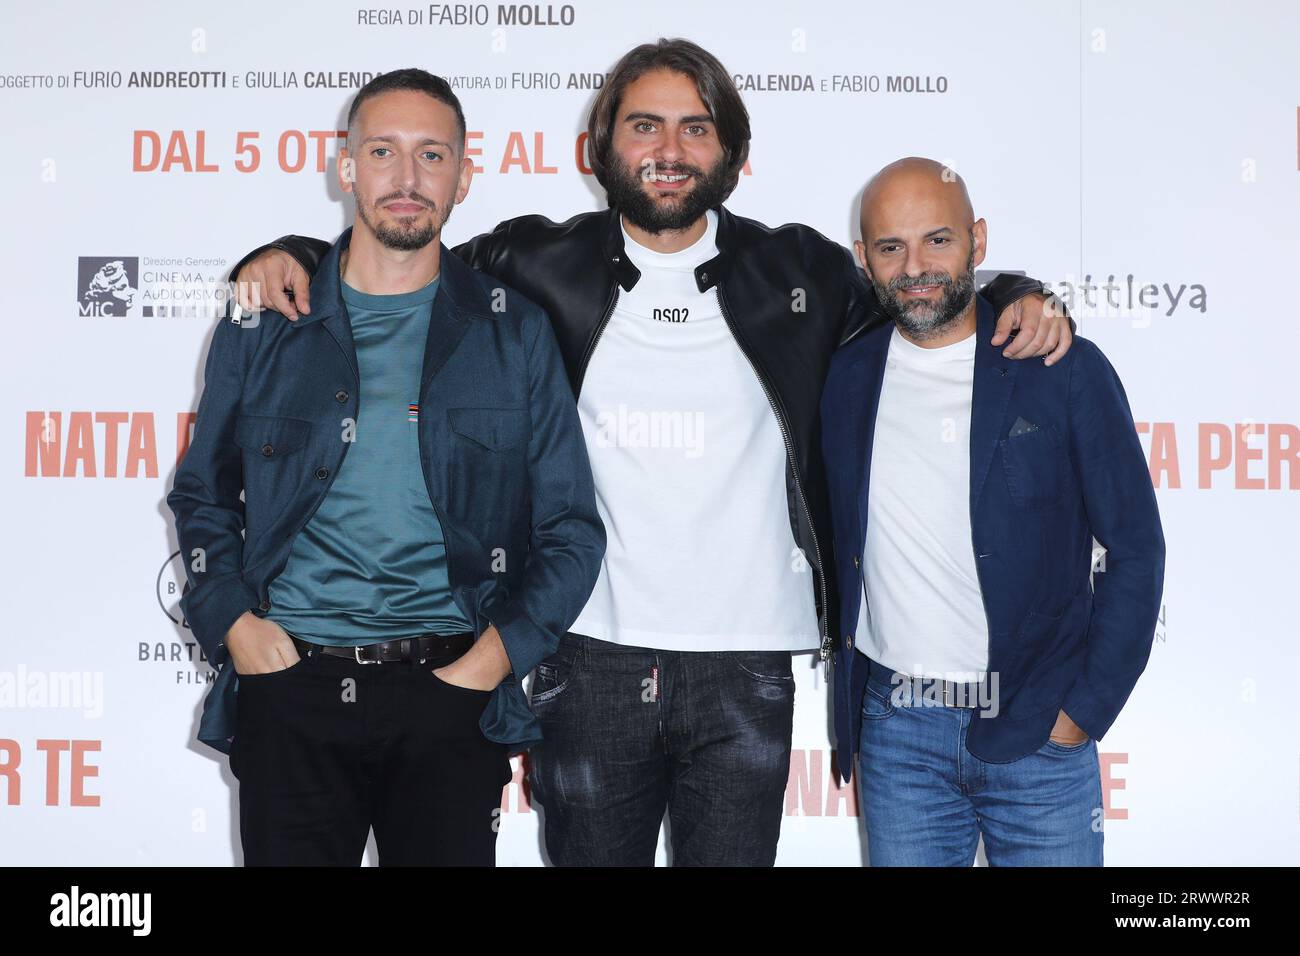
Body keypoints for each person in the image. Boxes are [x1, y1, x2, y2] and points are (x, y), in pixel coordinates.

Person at [227, 39, 1074, 866]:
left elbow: (921, 301)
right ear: (601, 147)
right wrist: (286, 257)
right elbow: (401, 260)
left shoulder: (800, 271)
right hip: (588, 652)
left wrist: (1014, 293)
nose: (668, 150)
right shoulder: (535, 261)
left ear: (733, 153)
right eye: (644, 126)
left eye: (695, 128)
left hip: (748, 663)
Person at [166, 68, 604, 865]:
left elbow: (571, 528)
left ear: (465, 175)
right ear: (346, 168)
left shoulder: (513, 335)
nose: (407, 179)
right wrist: (232, 622)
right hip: (290, 686)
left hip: (450, 691)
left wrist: (492, 660)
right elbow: (201, 494)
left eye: (432, 156)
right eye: (383, 152)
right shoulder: (264, 322)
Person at [820, 157, 1164, 866]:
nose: (916, 266)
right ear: (863, 258)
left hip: (1039, 723)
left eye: (938, 240)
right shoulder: (848, 377)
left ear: (977, 238)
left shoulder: (1061, 367)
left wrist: (1083, 713)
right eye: (891, 247)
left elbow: (1136, 549)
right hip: (898, 729)